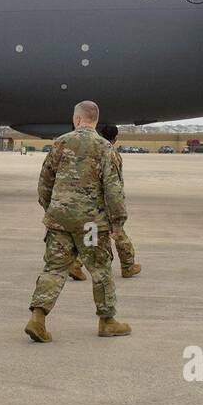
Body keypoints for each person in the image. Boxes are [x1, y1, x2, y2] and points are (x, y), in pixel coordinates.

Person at [25, 100, 131, 343]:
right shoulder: (106, 148)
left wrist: (51, 209)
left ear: (77, 119)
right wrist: (118, 223)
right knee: (100, 268)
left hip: (60, 221)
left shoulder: (60, 143)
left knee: (54, 268)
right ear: (95, 120)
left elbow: (44, 182)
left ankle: (38, 319)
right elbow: (113, 189)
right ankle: (107, 321)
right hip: (91, 225)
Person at [95, 124, 141, 278]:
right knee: (119, 233)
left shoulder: (93, 151)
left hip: (92, 201)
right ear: (115, 138)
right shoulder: (111, 153)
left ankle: (76, 264)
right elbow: (114, 184)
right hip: (108, 202)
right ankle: (128, 266)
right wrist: (118, 210)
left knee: (91, 234)